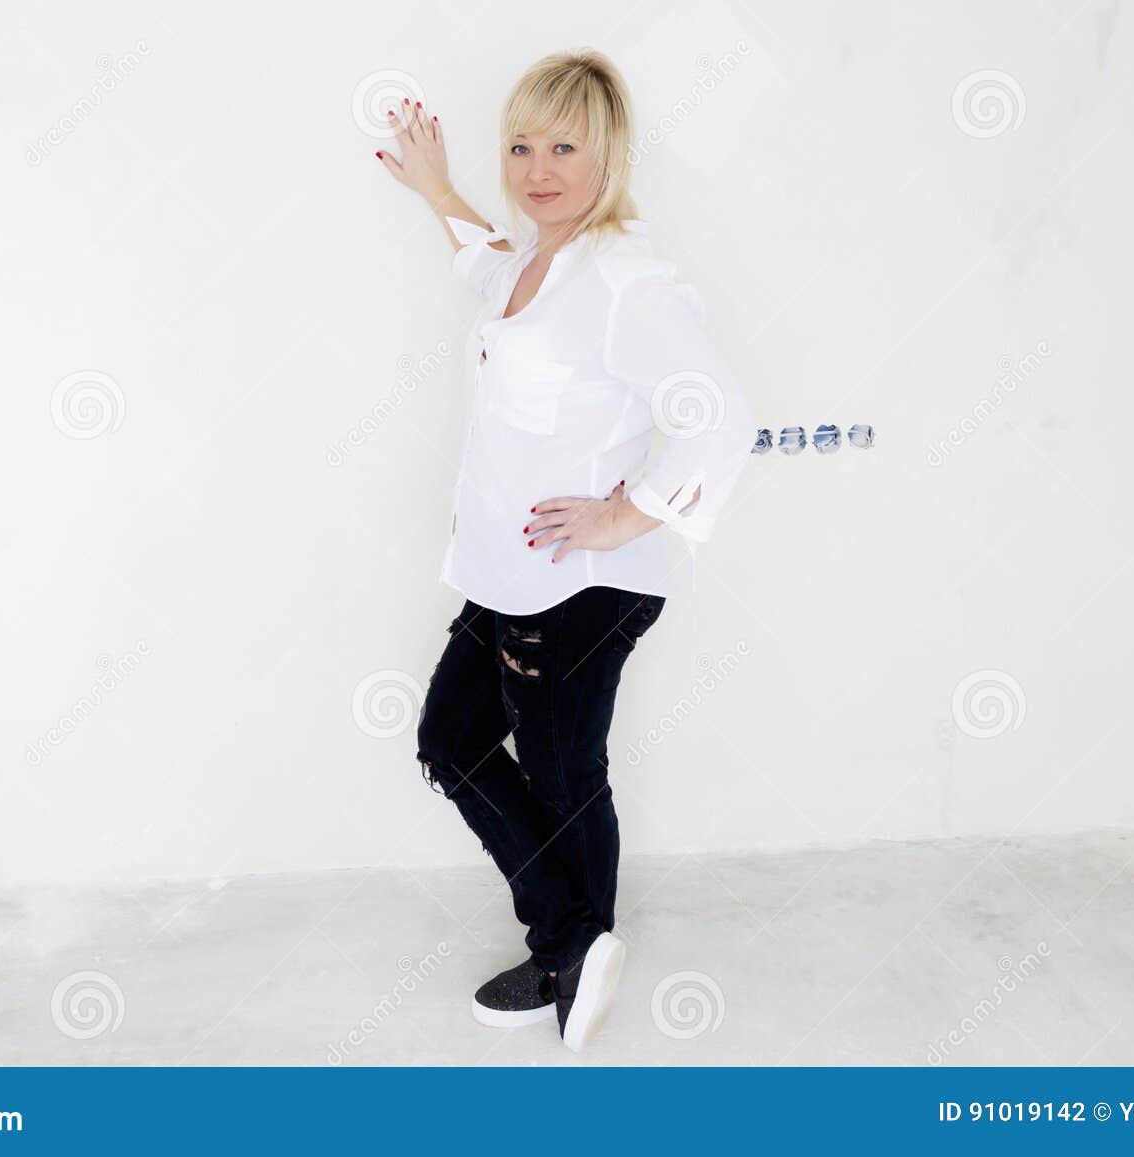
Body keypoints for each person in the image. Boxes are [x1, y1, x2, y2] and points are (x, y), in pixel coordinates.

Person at [377, 49, 755, 1053]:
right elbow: (479, 258)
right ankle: (579, 940)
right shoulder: (529, 263)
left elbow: (720, 419)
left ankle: (569, 946)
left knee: (561, 772)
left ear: (608, 154)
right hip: (507, 574)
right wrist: (435, 186)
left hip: (582, 588)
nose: (538, 167)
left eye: (563, 146)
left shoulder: (627, 279)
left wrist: (626, 515)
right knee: (452, 740)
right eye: (520, 146)